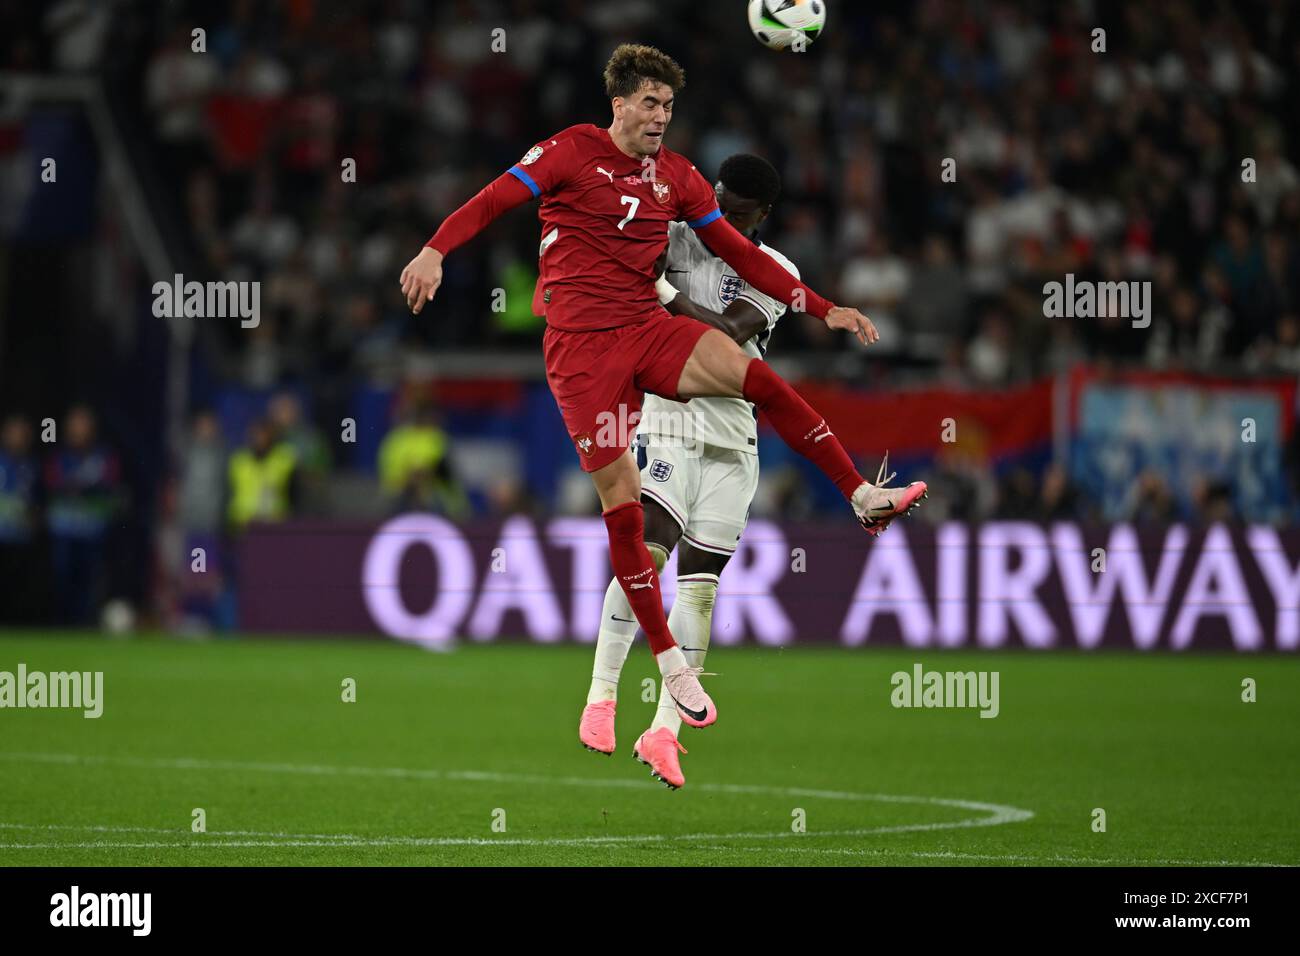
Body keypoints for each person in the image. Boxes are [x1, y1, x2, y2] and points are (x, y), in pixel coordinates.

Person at [399, 44, 926, 736]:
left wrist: (821, 307)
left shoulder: (677, 177)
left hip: (647, 329)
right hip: (582, 355)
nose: (660, 117)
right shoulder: (568, 151)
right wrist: (436, 249)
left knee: (757, 379)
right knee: (624, 516)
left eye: (668, 106)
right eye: (649, 103)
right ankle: (666, 663)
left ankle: (862, 496)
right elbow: (494, 198)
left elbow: (741, 254)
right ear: (617, 104)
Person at [579, 153, 800, 788]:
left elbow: (730, 338)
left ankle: (663, 734)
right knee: (646, 554)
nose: (720, 221)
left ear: (762, 217)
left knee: (701, 590)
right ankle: (601, 697)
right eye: (717, 205)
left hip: (736, 439)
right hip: (669, 417)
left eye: (736, 215)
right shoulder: (676, 234)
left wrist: (663, 291)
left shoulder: (776, 271)